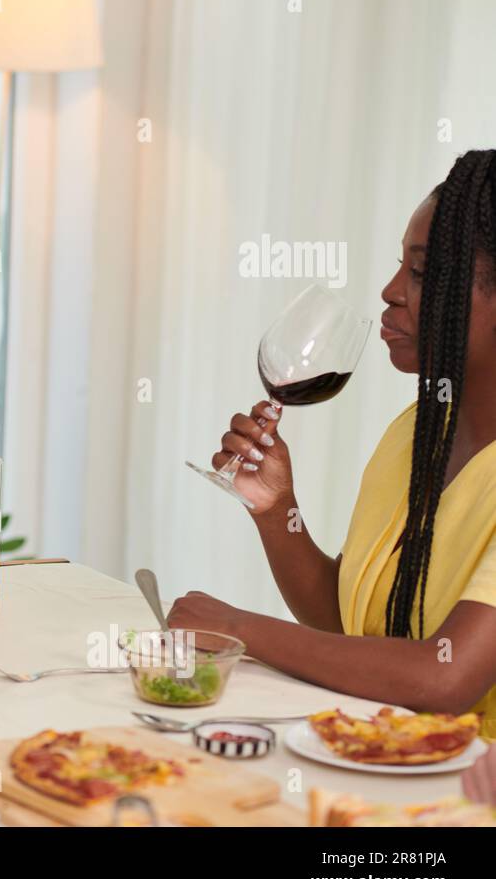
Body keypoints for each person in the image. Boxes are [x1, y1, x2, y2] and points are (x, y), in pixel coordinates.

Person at [169, 150, 496, 739]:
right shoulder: (417, 431)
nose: (390, 292)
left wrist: (238, 630)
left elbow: (446, 679)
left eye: (422, 273)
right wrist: (277, 511)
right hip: (379, 757)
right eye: (401, 267)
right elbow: (348, 626)